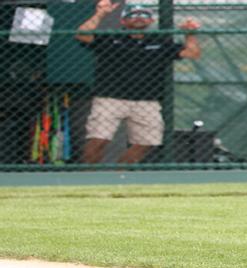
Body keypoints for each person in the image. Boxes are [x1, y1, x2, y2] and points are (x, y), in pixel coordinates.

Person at [75, 1, 200, 165]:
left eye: (144, 15)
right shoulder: (111, 38)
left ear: (151, 20)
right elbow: (82, 35)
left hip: (147, 100)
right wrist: (100, 14)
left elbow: (192, 53)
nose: (139, 18)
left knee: (146, 143)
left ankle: (120, 174)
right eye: (132, 15)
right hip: (109, 99)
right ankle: (89, 175)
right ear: (123, 21)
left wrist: (189, 34)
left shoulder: (160, 41)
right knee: (99, 139)